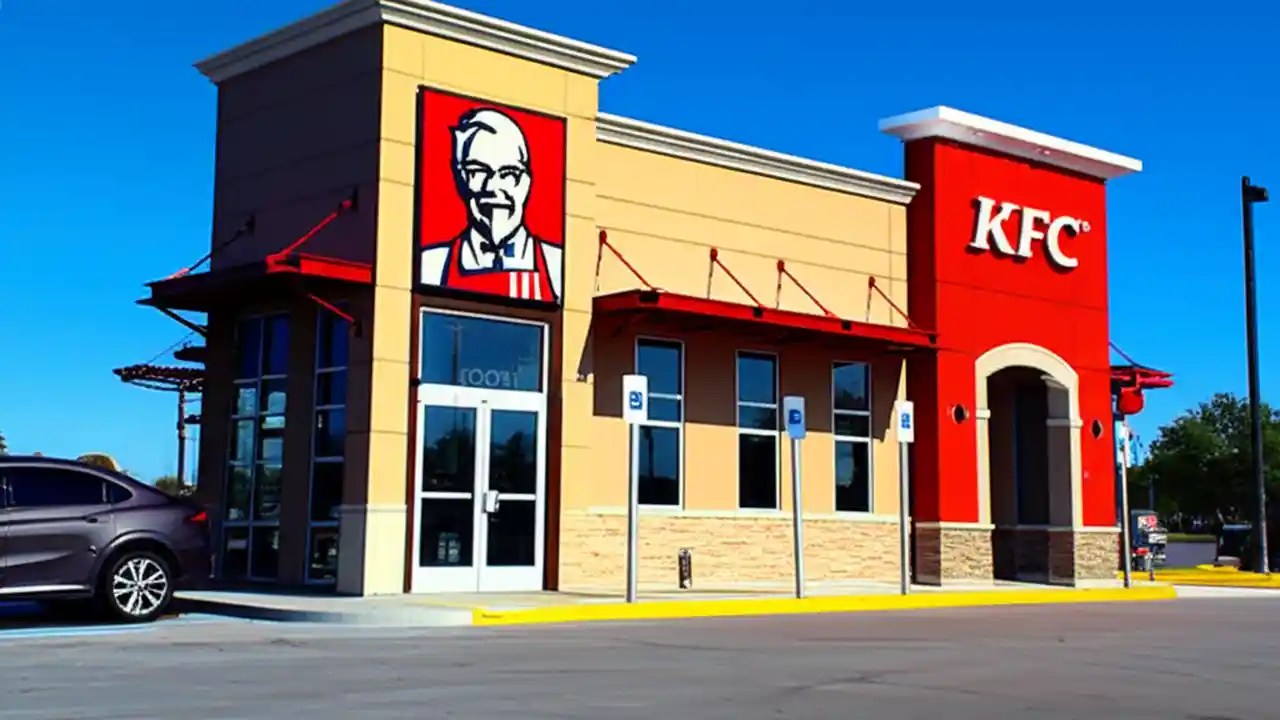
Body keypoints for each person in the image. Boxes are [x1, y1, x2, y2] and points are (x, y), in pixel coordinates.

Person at [419, 107, 563, 303]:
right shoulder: (431, 267)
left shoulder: (557, 266)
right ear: (460, 179)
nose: (493, 187)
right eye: (478, 171)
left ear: (526, 182)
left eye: (509, 173)